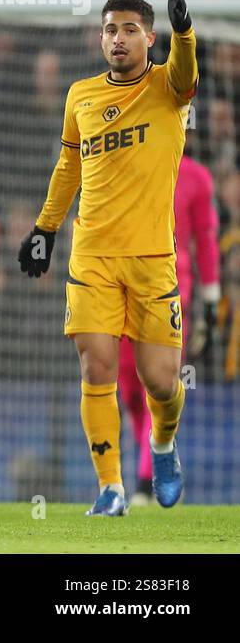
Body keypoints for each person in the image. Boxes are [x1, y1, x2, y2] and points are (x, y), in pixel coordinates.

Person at [19, 0, 196, 516]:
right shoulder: (81, 96)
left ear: (150, 37)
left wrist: (185, 33)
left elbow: (187, 72)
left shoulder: (169, 87)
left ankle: (162, 447)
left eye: (128, 30)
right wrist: (45, 228)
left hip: (151, 260)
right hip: (91, 256)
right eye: (109, 30)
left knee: (160, 383)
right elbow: (69, 167)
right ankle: (111, 488)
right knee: (96, 368)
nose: (117, 39)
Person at [118, 152, 220, 504]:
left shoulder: (197, 178)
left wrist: (210, 300)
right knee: (130, 392)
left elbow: (205, 240)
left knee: (158, 387)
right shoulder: (127, 164)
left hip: (172, 292)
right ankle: (156, 450)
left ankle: (146, 483)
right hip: (123, 290)